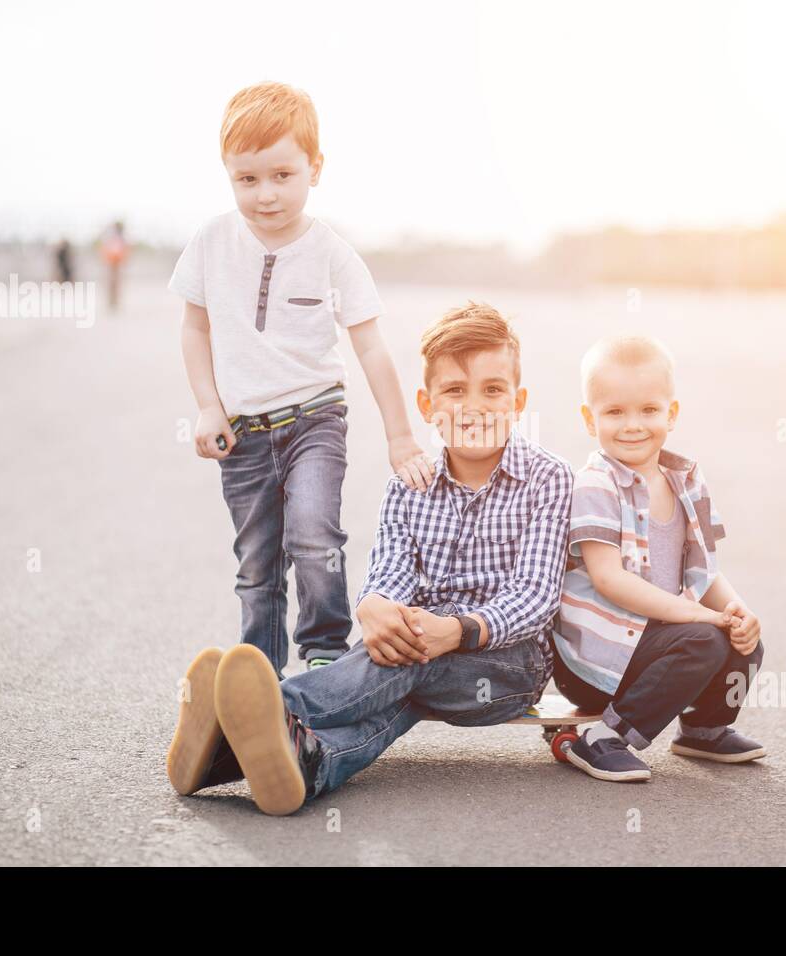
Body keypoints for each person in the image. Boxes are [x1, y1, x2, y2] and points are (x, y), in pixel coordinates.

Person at [165, 303, 574, 815]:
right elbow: (392, 567)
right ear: (426, 404)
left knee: (408, 657)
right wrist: (377, 604)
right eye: (454, 390)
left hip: (509, 665)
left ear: (518, 401)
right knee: (395, 673)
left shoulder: (548, 478)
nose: (474, 405)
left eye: (493, 389)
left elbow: (535, 595)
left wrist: (460, 631)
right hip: (415, 649)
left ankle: (269, 709)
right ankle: (302, 763)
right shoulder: (410, 481)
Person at [167, 81, 432, 674]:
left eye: (283, 175)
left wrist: (400, 437)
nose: (266, 195)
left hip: (315, 418)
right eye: (248, 179)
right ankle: (258, 676)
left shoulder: (332, 254)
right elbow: (194, 329)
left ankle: (322, 655)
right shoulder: (211, 242)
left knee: (315, 536)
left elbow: (370, 347)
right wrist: (208, 406)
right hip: (242, 432)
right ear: (228, 174)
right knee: (257, 563)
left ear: (316, 167)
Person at [552, 335, 767, 783]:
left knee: (745, 641)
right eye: (614, 412)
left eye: (648, 410)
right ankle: (604, 737)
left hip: (659, 640)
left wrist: (736, 612)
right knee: (704, 640)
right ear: (590, 419)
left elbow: (704, 569)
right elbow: (610, 580)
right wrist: (699, 618)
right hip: (598, 656)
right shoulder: (597, 483)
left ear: (671, 413)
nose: (632, 425)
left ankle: (703, 730)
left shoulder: (685, 479)